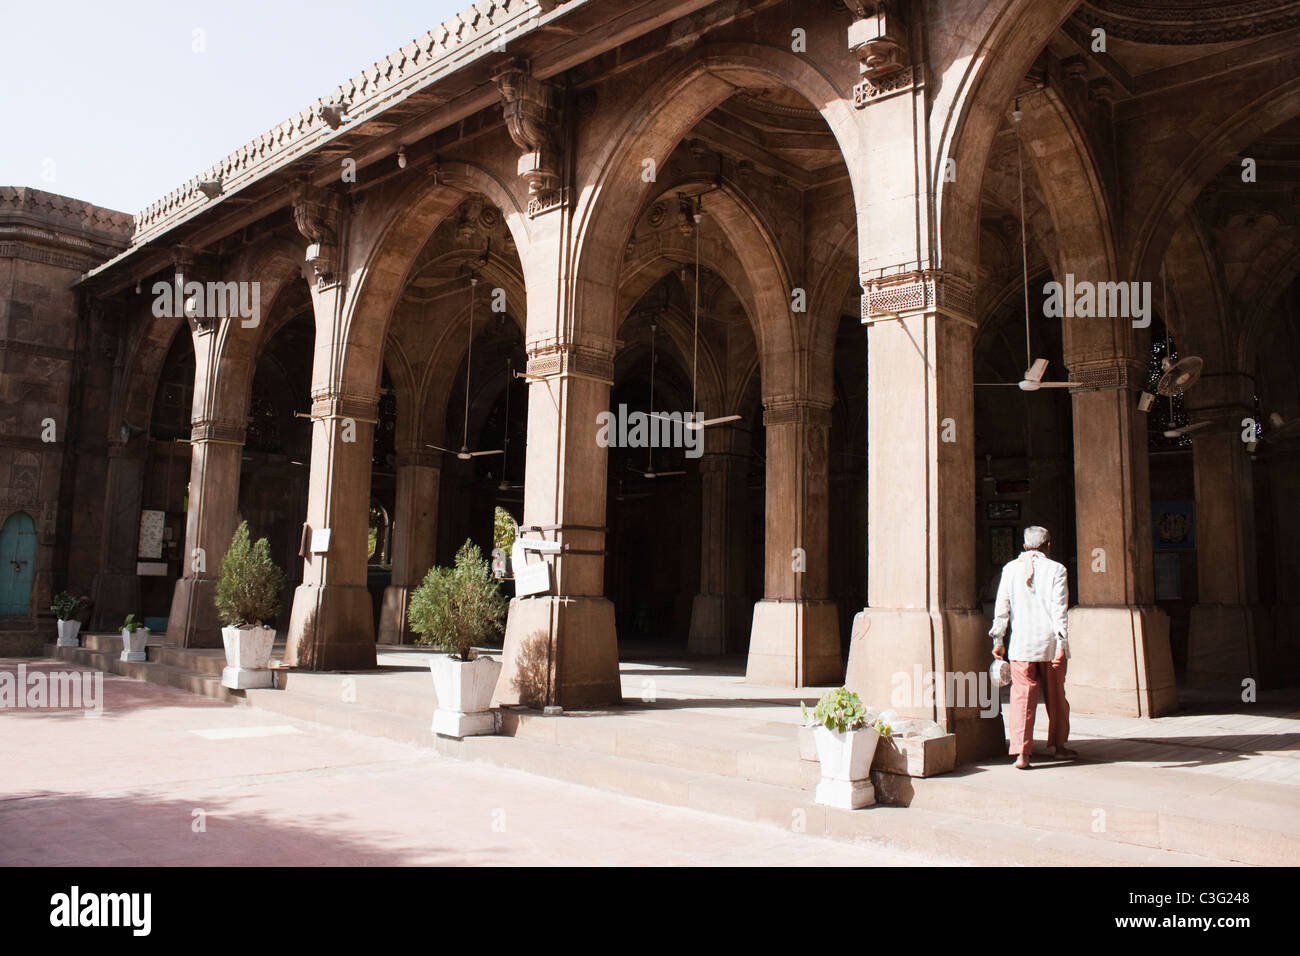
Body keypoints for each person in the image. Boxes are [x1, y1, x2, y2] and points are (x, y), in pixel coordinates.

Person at [989, 526, 1077, 769]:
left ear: (1025, 546)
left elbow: (1002, 607)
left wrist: (998, 640)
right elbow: (1060, 609)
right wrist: (1062, 644)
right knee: (1057, 697)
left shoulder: (1010, 569)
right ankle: (1059, 747)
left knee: (1022, 698)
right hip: (1050, 644)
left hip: (1021, 645)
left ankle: (1022, 754)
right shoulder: (1057, 569)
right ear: (1048, 546)